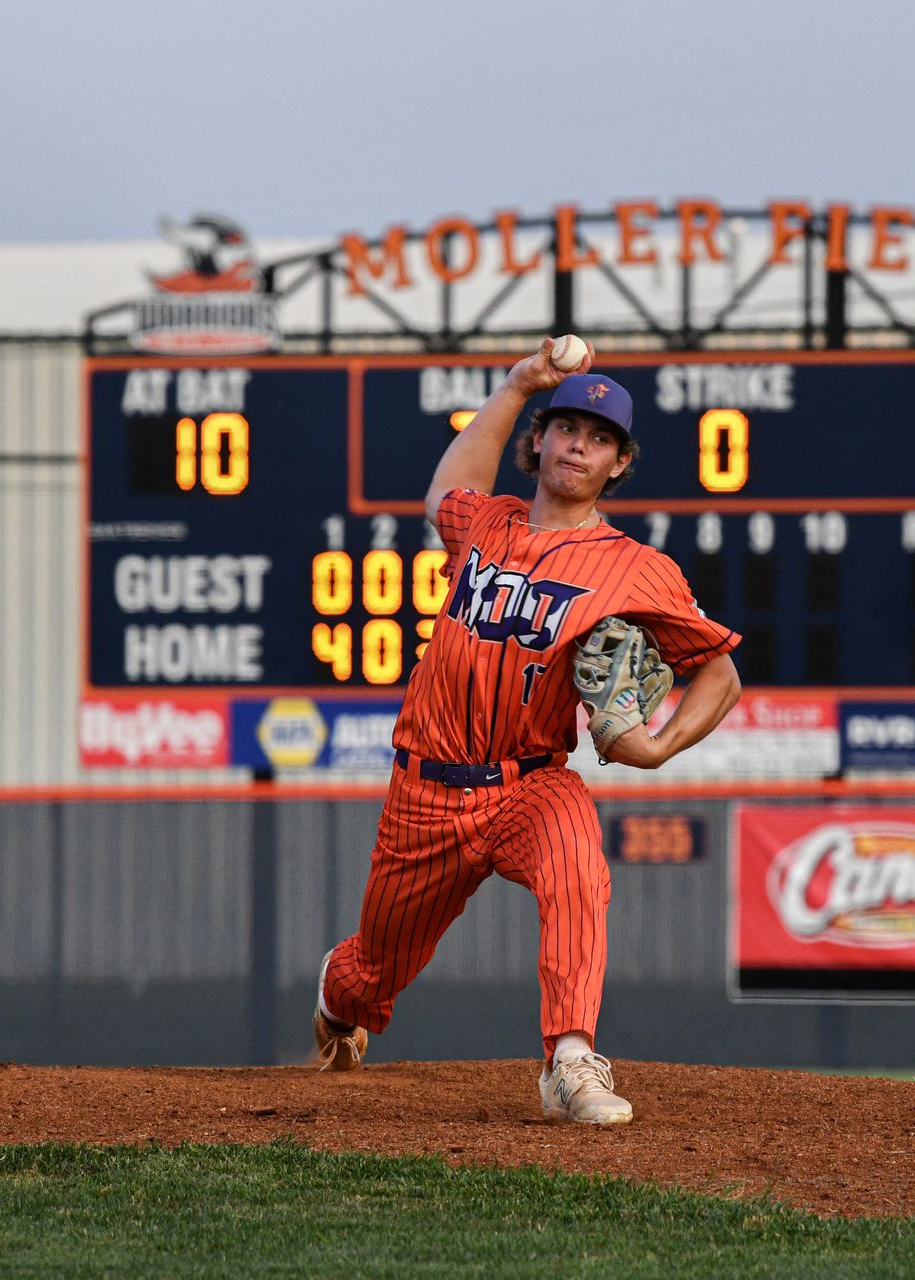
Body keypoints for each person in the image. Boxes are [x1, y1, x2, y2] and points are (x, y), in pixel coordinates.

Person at [311, 339, 743, 1125]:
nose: (582, 442)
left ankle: (571, 1062)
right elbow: (446, 485)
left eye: (602, 437)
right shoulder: (486, 524)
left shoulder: (634, 567)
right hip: (425, 794)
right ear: (539, 440)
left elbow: (719, 671)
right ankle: (339, 1006)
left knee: (578, 861)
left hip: (529, 783)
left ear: (618, 464)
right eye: (569, 426)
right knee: (369, 976)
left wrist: (656, 745)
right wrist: (517, 384)